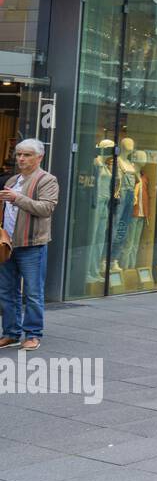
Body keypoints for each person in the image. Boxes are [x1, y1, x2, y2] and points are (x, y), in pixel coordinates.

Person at [0, 139, 60, 351]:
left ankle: (33, 334)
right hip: (8, 245)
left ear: (39, 157)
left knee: (33, 293)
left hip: (32, 244)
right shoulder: (12, 180)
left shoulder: (47, 180)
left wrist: (17, 198)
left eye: (26, 155)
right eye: (18, 155)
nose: (21, 159)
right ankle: (11, 333)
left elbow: (45, 208)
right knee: (7, 291)